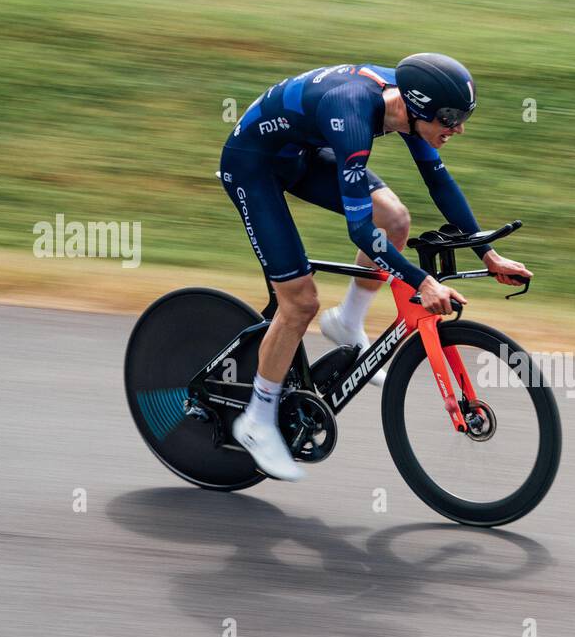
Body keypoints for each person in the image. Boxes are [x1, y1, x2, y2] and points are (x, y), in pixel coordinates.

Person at [218, 53, 531, 481]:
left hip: (302, 152)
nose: (458, 129)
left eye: (463, 118)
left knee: (397, 219)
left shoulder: (406, 105)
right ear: (420, 107)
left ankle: (347, 322)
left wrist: (487, 254)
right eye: (451, 119)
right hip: (252, 164)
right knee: (300, 303)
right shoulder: (354, 116)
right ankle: (256, 418)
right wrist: (421, 282)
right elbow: (361, 232)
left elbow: (438, 181)